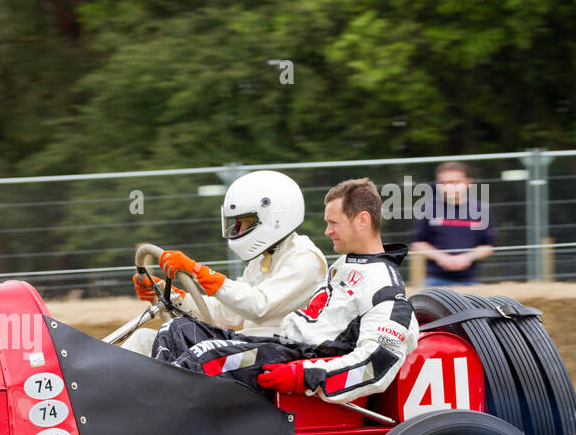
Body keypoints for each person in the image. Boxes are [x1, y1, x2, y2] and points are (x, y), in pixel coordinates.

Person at [152, 178, 418, 404]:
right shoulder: (346, 264)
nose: (327, 231)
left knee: (204, 358)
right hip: (283, 345)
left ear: (362, 220)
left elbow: (378, 362)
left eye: (334, 223)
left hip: (301, 358)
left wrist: (305, 375)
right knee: (175, 331)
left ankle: (153, 419)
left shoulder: (384, 284)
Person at [121, 170, 327, 355]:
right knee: (145, 339)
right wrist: (173, 295)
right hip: (252, 347)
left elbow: (259, 306)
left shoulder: (305, 259)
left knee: (168, 343)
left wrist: (199, 272)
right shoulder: (265, 257)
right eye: (237, 223)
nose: (239, 229)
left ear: (275, 217)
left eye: (246, 221)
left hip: (278, 352)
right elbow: (227, 313)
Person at [410, 161, 495, 287]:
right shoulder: (428, 208)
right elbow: (418, 243)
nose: (449, 186)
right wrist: (442, 258)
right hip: (435, 282)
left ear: (468, 183)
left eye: (455, 182)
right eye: (444, 183)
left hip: (471, 281)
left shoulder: (482, 209)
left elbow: (488, 245)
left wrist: (466, 258)